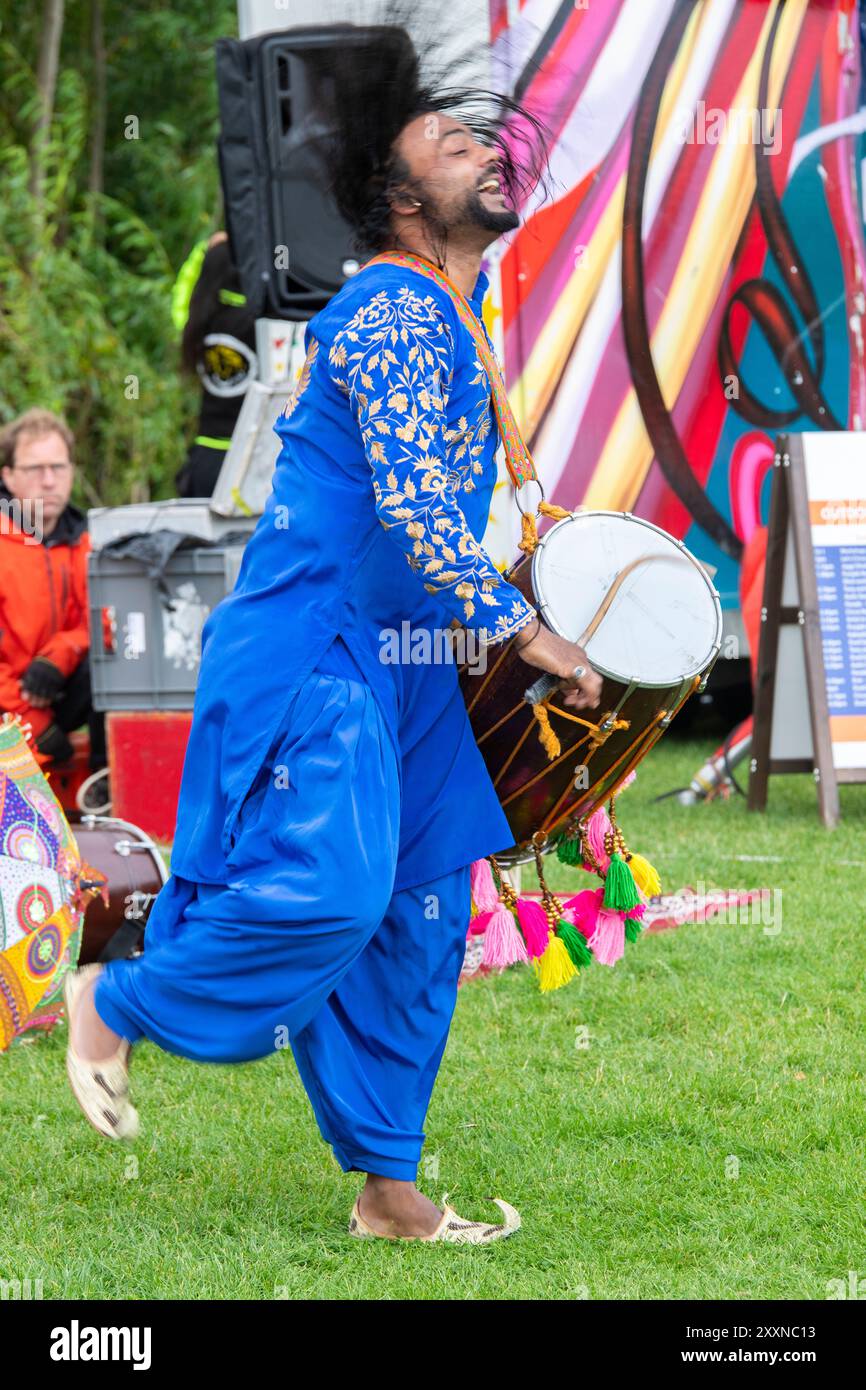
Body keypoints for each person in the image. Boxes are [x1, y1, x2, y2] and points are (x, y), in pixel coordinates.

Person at [63, 26, 602, 1244]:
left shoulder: (453, 319)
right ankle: (118, 1000)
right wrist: (528, 636)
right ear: (401, 197)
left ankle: (388, 1189)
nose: (478, 151)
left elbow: (448, 511)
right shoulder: (395, 308)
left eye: (477, 137)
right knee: (334, 895)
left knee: (416, 921)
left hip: (401, 661)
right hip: (318, 654)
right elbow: (413, 503)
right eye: (448, 142)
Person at [0, 408, 105, 771]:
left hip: (56, 692)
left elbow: (105, 622)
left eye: (58, 468)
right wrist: (32, 722)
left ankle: (107, 794)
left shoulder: (86, 542)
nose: (49, 481)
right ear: (9, 477)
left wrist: (61, 652)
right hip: (9, 705)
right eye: (35, 469)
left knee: (114, 663)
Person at [173, 230, 259, 498]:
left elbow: (181, 298)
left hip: (206, 458)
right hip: (250, 458)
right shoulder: (261, 323)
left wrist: (203, 251)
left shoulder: (195, 323)